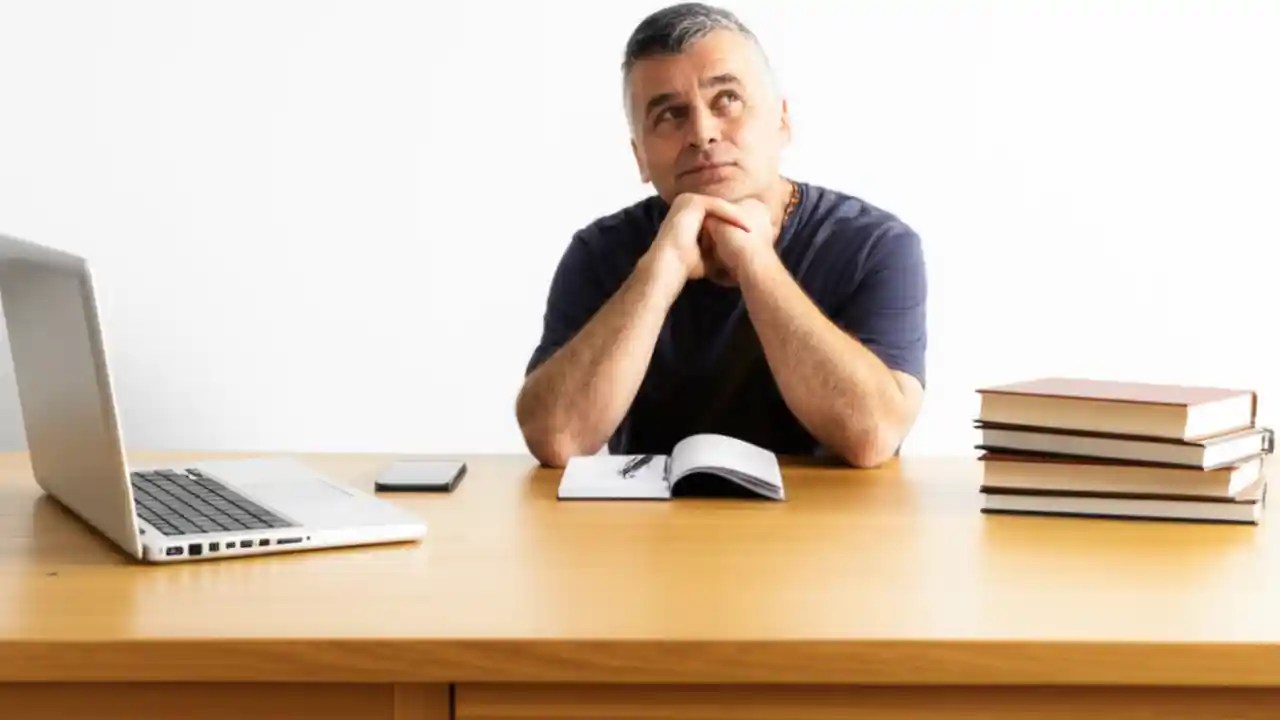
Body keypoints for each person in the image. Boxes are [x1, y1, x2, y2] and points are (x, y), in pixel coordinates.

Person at [516, 2, 926, 468]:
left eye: (727, 100)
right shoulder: (599, 252)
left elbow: (873, 435)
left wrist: (756, 263)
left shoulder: (875, 244)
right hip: (652, 535)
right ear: (641, 157)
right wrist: (661, 270)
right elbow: (558, 439)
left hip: (830, 533)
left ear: (782, 121)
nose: (703, 133)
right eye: (670, 115)